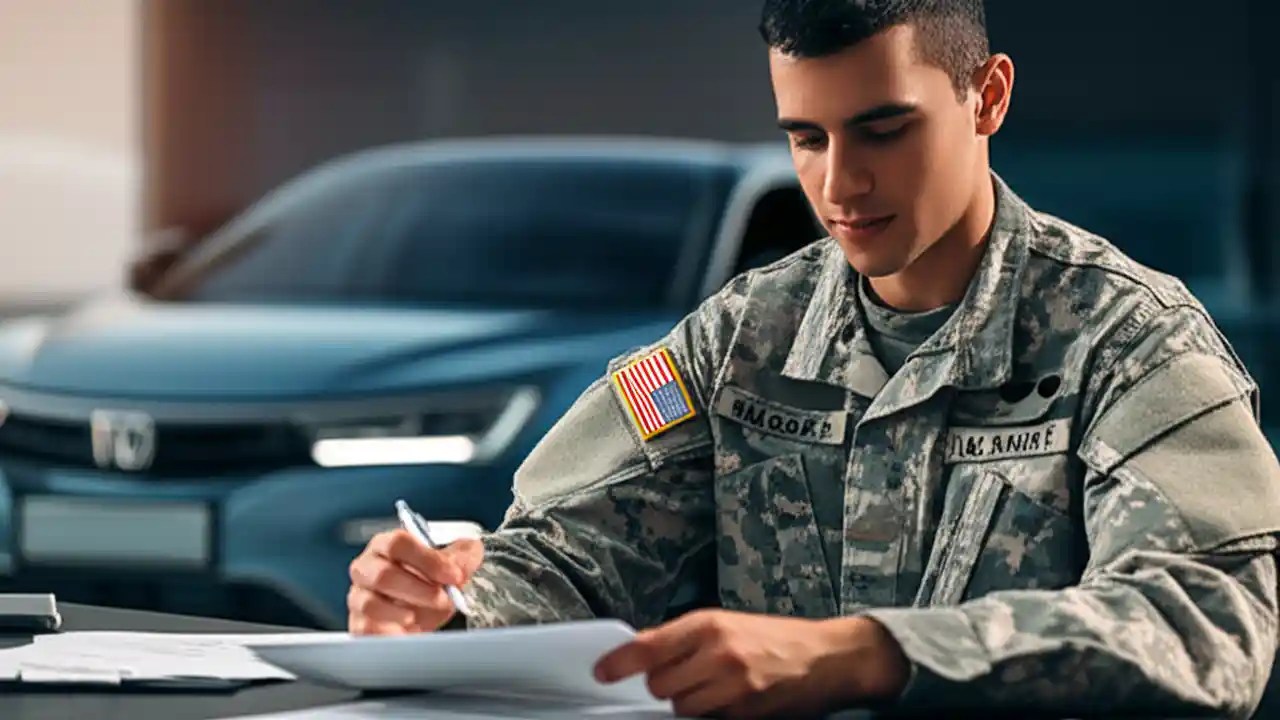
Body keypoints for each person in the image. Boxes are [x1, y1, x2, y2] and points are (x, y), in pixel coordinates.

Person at [347, 1, 1280, 717]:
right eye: (806, 137)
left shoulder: (1131, 341)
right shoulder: (741, 337)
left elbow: (1205, 623)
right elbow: (570, 554)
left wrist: (866, 653)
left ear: (987, 96)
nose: (839, 183)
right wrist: (450, 608)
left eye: (883, 130)